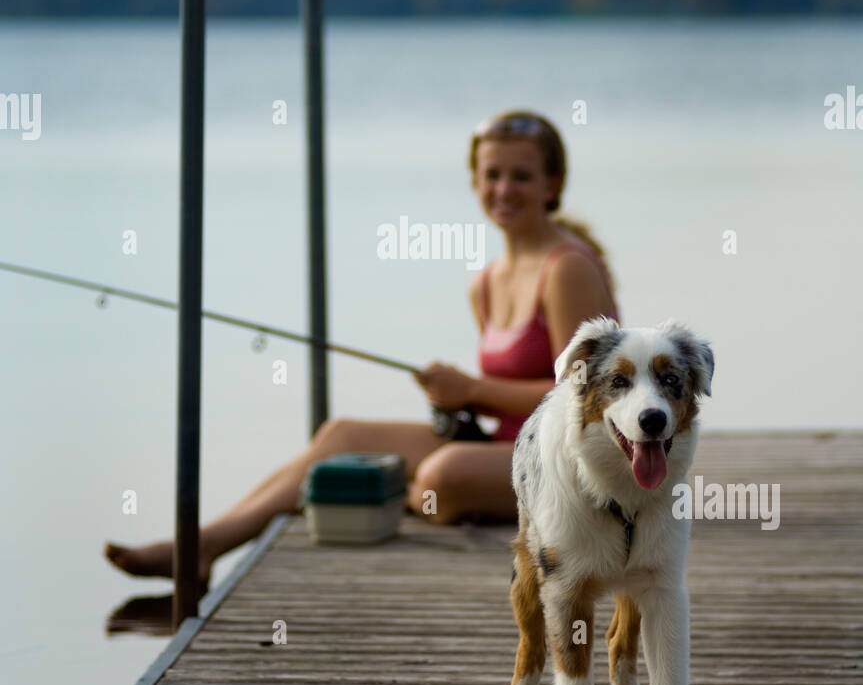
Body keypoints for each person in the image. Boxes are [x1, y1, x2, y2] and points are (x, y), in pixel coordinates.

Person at [105, 110, 618, 586]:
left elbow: (585, 398)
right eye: (492, 175)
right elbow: (500, 398)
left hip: (574, 459)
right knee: (341, 434)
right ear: (475, 182)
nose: (504, 189)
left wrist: (472, 389)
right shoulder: (485, 282)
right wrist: (458, 399)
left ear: (552, 184)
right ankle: (203, 545)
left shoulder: (567, 267)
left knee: (443, 475)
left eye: (521, 176)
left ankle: (431, 495)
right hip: (506, 446)